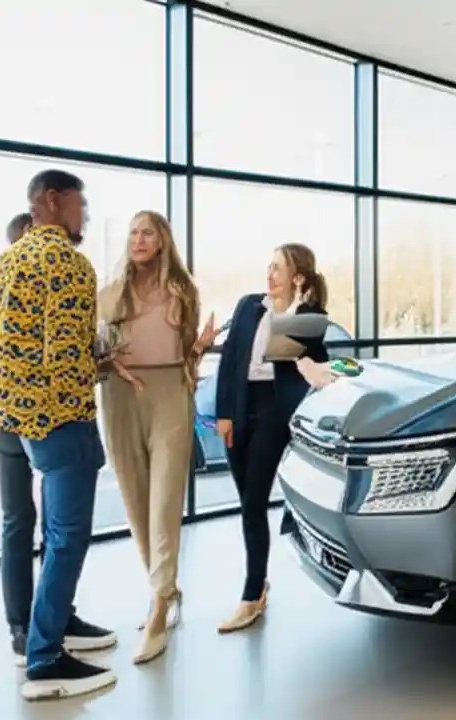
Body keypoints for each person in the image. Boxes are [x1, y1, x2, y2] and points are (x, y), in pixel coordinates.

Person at [0, 170, 116, 701]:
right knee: (65, 536)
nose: (83, 214)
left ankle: (46, 628)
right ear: (53, 201)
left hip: (7, 416)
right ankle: (45, 657)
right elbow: (65, 355)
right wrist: (97, 372)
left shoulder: (6, 259)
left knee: (22, 524)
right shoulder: (70, 264)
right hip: (56, 418)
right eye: (80, 205)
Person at [97, 210, 215, 664]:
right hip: (121, 397)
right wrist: (110, 363)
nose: (138, 239)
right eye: (132, 232)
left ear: (163, 241)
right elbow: (91, 350)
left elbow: (188, 358)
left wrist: (201, 346)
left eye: (147, 232)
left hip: (170, 395)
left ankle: (160, 605)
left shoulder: (183, 293)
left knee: (165, 500)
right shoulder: (111, 294)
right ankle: (163, 587)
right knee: (136, 500)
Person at [214, 243, 334, 633]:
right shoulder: (249, 306)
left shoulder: (307, 316)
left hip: (274, 411)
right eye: (269, 266)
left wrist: (296, 312)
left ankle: (252, 594)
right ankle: (258, 583)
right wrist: (224, 414)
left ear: (297, 276)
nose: (270, 273)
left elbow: (318, 363)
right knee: (248, 502)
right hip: (240, 406)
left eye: (278, 267)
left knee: (253, 501)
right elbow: (231, 360)